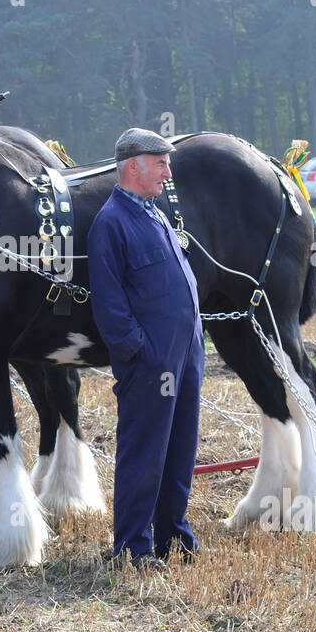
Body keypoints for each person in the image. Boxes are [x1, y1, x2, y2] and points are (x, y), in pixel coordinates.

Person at [87, 128, 204, 568]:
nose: (167, 171)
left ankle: (174, 535)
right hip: (151, 362)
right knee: (144, 452)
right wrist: (139, 350)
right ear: (132, 165)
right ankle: (132, 548)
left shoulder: (154, 215)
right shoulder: (111, 222)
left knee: (179, 449)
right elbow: (110, 304)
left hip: (186, 353)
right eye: (160, 162)